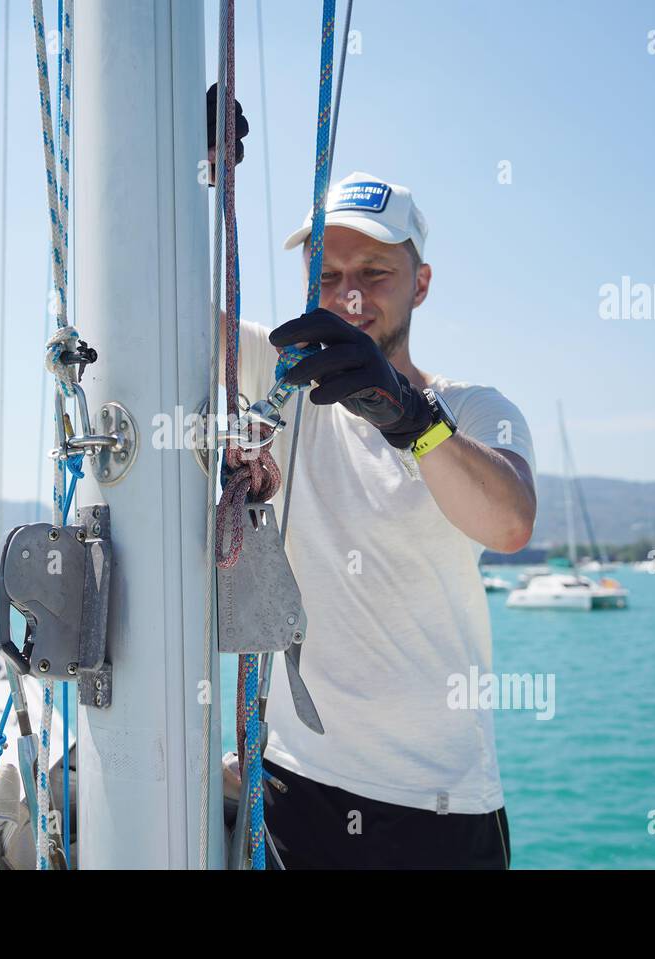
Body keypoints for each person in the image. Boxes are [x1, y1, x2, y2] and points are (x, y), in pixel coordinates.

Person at [213, 137, 536, 864]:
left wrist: (408, 418)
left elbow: (511, 521)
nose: (349, 296)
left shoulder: (476, 409)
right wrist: (183, 158)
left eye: (374, 273)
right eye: (327, 276)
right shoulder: (278, 375)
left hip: (440, 805)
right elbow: (152, 305)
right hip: (299, 785)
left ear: (420, 283)